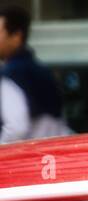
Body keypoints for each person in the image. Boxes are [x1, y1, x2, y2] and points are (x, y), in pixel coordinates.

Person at [0, 4, 71, 143]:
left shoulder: (11, 75)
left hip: (31, 159)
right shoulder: (42, 71)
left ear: (16, 36)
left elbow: (16, 127)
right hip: (54, 154)